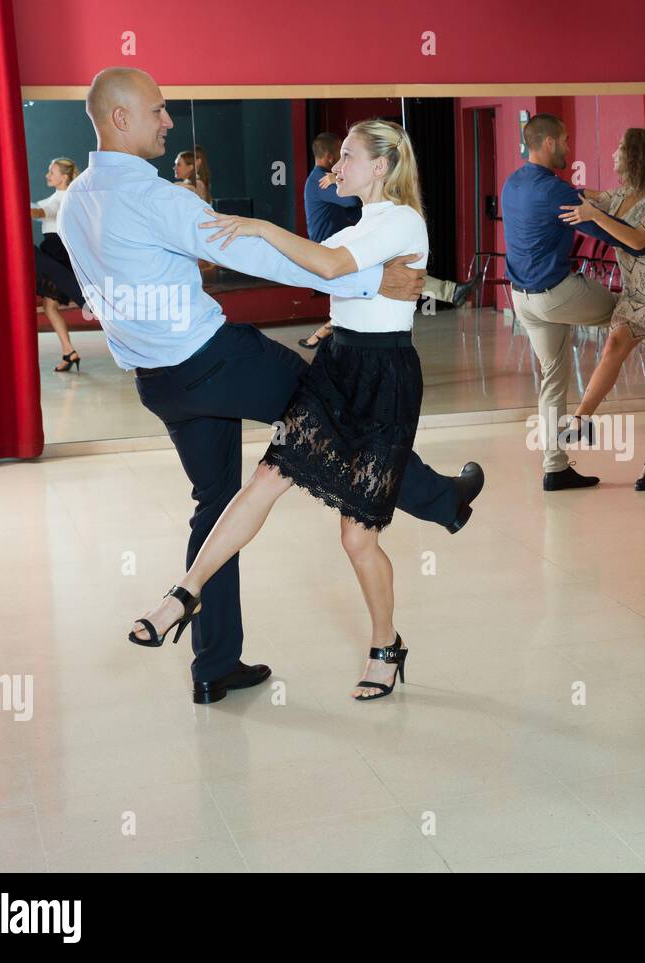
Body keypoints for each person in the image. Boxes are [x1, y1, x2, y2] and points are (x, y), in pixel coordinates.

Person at [59, 66, 484, 705]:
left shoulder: (75, 202)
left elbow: (97, 293)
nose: (168, 121)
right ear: (120, 118)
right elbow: (257, 256)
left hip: (158, 382)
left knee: (218, 502)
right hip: (215, 361)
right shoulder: (156, 198)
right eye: (158, 110)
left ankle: (214, 665)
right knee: (337, 414)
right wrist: (372, 284)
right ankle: (443, 500)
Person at [132, 119, 432, 702]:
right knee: (265, 480)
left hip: (382, 381)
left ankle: (385, 643)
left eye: (346, 157)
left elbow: (329, 267)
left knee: (356, 538)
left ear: (382, 166)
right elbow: (357, 288)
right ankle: (183, 595)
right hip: (339, 366)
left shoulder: (401, 219)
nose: (333, 167)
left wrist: (262, 227)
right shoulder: (367, 221)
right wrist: (338, 322)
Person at [501, 113, 645, 490]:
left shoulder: (513, 183)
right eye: (566, 141)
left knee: (553, 379)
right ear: (549, 144)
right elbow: (608, 233)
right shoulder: (554, 191)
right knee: (631, 311)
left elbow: (587, 203)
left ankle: (554, 468)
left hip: (522, 299)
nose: (570, 149)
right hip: (555, 296)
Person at [557, 127, 645, 491]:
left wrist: (595, 214)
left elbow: (633, 240)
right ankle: (580, 421)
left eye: (620, 149)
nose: (614, 155)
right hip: (635, 297)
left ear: (636, 157)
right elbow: (589, 197)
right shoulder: (621, 196)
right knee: (613, 348)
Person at [299, 131, 476, 350]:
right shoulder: (321, 181)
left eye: (347, 157)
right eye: (340, 155)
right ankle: (319, 334)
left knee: (400, 274)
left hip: (346, 245)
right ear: (328, 156)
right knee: (393, 277)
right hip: (333, 246)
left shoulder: (402, 219)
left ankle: (452, 291)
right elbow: (351, 200)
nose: (339, 165)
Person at [30, 157, 87, 372]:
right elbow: (40, 208)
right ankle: (68, 351)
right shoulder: (57, 196)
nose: (47, 175)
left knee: (32, 257)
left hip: (58, 253)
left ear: (64, 177)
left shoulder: (65, 198)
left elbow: (43, 212)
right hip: (54, 251)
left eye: (51, 172)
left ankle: (88, 302)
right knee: (49, 306)